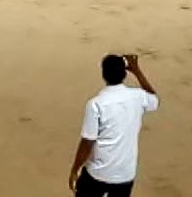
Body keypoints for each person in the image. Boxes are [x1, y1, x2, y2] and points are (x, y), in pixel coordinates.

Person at [68, 54, 159, 197]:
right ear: (124, 73)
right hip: (125, 174)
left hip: (98, 173)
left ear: (104, 75)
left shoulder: (96, 104)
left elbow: (88, 141)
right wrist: (137, 71)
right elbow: (153, 99)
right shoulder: (138, 97)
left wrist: (75, 168)